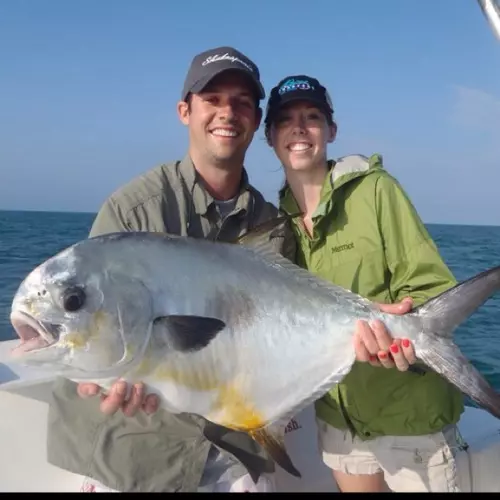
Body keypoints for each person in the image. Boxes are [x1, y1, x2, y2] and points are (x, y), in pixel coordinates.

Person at [46, 47, 416, 493]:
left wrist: (358, 324)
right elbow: (92, 327)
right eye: (213, 99)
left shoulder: (269, 223)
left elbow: (280, 326)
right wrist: (99, 379)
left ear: (256, 121)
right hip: (133, 455)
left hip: (231, 450)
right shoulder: (134, 211)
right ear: (185, 110)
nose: (228, 112)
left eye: (242, 102)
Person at [263, 74, 466, 492]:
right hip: (339, 420)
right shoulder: (273, 226)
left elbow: (432, 289)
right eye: (286, 119)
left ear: (331, 131)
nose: (299, 128)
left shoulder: (376, 190)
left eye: (312, 116)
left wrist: (401, 339)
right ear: (270, 136)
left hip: (409, 418)